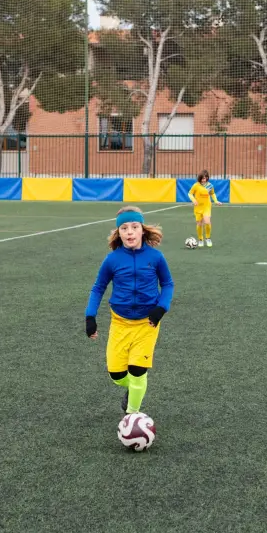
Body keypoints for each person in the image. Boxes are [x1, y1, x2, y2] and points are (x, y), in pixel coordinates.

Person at [86, 206, 175, 415]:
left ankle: (132, 415)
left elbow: (168, 284)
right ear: (119, 233)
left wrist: (162, 308)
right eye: (124, 228)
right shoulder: (112, 260)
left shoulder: (156, 257)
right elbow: (98, 288)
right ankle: (135, 389)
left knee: (137, 370)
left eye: (134, 227)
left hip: (148, 323)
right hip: (120, 323)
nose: (129, 232)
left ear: (142, 230)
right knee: (116, 375)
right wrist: (90, 316)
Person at [187, 169, 221, 247]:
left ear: (207, 178)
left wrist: (216, 201)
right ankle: (200, 239)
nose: (203, 180)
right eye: (202, 178)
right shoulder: (196, 185)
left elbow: (212, 194)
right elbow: (190, 193)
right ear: (200, 178)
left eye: (205, 178)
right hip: (198, 207)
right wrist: (194, 200)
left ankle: (208, 238)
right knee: (199, 223)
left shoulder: (210, 186)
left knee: (207, 222)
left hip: (206, 206)